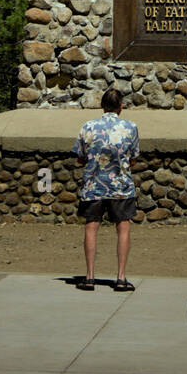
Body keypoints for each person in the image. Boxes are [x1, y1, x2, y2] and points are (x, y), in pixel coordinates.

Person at [71, 87, 140, 292]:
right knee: (123, 228)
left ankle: (90, 277)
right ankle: (120, 277)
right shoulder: (130, 127)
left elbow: (79, 157)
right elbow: (134, 156)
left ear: (102, 105)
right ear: (121, 106)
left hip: (93, 186)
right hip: (120, 186)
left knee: (91, 227)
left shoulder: (88, 127)